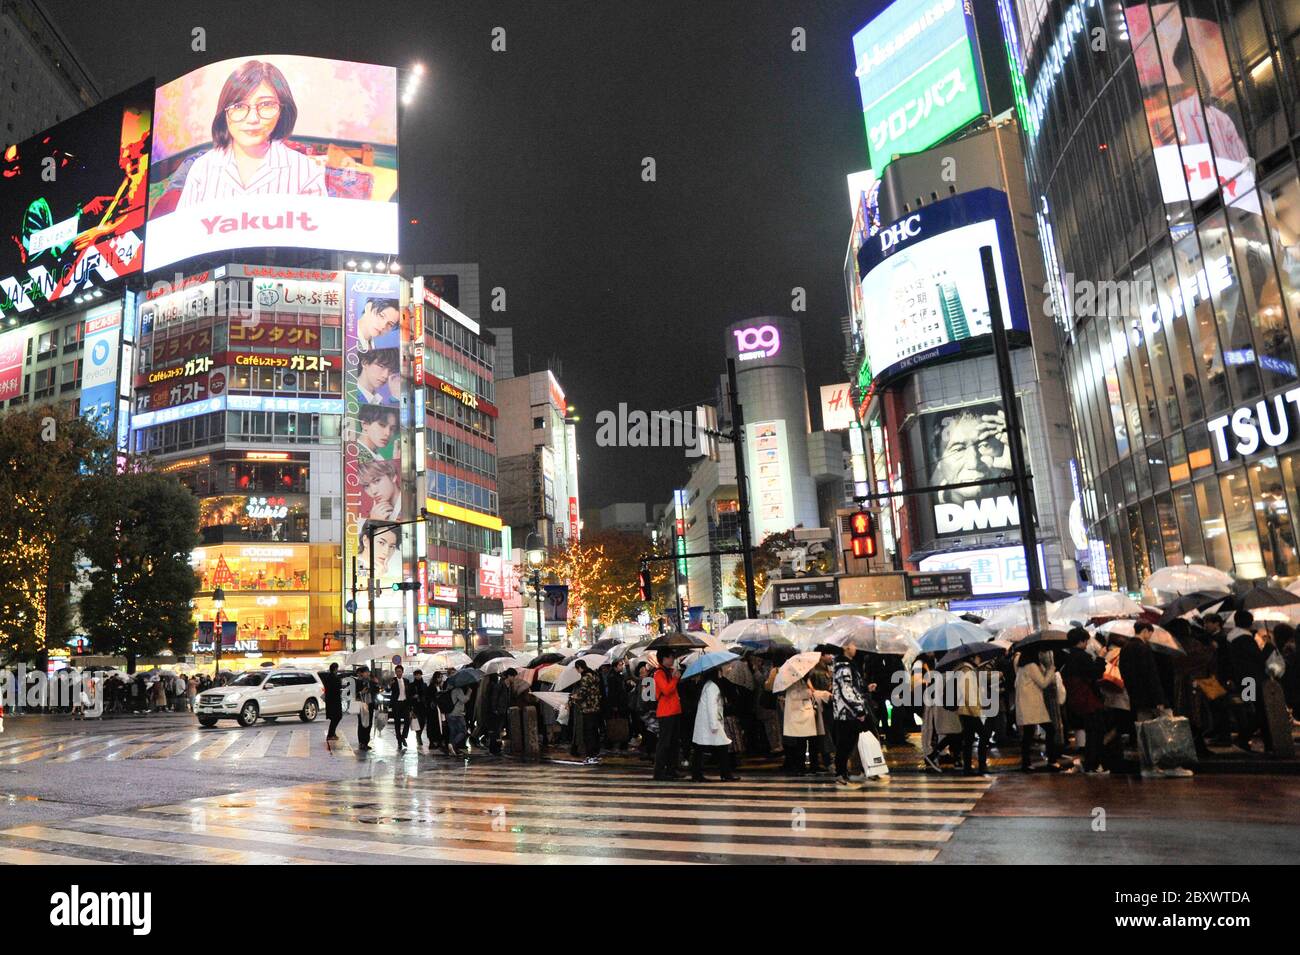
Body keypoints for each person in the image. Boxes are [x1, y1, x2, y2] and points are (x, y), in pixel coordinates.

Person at [177, 59, 325, 208]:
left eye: (266, 104)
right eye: (239, 106)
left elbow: (318, 228)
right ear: (224, 112)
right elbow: (184, 229)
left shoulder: (306, 171)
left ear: (282, 111)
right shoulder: (202, 168)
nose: (253, 119)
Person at [1225, 610, 1272, 753]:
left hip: (1244, 680)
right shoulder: (1244, 639)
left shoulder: (1232, 637)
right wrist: (1268, 646)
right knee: (1259, 711)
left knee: (1254, 710)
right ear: (1250, 622)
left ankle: (1262, 743)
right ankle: (1244, 739)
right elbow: (1258, 659)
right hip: (1252, 680)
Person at [1062, 628, 1107, 774]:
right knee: (1096, 733)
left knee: (1091, 732)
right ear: (1081, 641)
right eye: (1086, 641)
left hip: (1077, 699)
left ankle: (1090, 763)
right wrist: (1101, 657)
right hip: (1089, 700)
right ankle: (1093, 765)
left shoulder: (1068, 657)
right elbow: (1096, 673)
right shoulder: (1082, 656)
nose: (1087, 644)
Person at [831, 641, 875, 787]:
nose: (856, 647)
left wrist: (866, 688)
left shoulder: (849, 664)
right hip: (847, 713)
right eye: (853, 644)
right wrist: (859, 710)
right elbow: (846, 691)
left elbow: (854, 687)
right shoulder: (843, 667)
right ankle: (840, 773)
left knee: (852, 742)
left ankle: (856, 770)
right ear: (845, 647)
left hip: (851, 711)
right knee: (845, 743)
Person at [1016, 648, 1063, 771]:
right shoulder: (1031, 666)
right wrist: (1051, 670)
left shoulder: (1022, 667)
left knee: (1028, 734)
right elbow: (1043, 683)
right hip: (1033, 705)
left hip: (1027, 705)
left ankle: (1026, 764)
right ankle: (1051, 760)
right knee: (1050, 730)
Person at [691, 671, 740, 782]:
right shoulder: (712, 686)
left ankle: (697, 774)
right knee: (721, 747)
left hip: (706, 723)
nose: (720, 673)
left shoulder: (707, 685)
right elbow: (712, 706)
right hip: (710, 723)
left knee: (700, 748)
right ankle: (725, 774)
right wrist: (714, 724)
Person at [783, 675, 831, 775]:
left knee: (814, 742)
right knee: (801, 744)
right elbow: (793, 694)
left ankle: (814, 766)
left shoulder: (804, 679)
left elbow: (812, 692)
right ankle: (801, 767)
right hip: (800, 717)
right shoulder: (792, 680)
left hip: (808, 715)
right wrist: (808, 692)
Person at [652, 652, 683, 781]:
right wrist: (675, 678)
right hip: (666, 713)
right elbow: (666, 690)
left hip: (674, 711)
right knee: (664, 743)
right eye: (670, 656)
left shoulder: (669, 671)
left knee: (674, 743)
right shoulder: (659, 673)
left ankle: (672, 769)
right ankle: (659, 772)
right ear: (664, 658)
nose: (672, 659)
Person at [570, 660, 603, 761]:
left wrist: (575, 697)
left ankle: (590, 754)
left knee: (588, 732)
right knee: (594, 731)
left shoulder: (585, 678)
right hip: (596, 707)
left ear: (580, 667)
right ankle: (596, 752)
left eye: (577, 668)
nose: (577, 671)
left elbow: (583, 694)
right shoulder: (595, 675)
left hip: (588, 708)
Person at [359, 458, 402, 522]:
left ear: (392, 476)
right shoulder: (374, 514)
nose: (373, 491)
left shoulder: (411, 505)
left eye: (377, 481)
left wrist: (376, 522)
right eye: (366, 486)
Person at [388, 664, 411, 750]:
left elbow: (409, 693)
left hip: (405, 703)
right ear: (395, 672)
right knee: (397, 723)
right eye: (397, 671)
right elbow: (387, 690)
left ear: (402, 672)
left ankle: (403, 737)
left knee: (407, 721)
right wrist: (389, 685)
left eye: (400, 671)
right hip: (396, 704)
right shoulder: (392, 681)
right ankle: (399, 741)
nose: (398, 673)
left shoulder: (406, 681)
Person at [448, 681, 472, 757]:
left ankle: (452, 750)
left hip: (450, 713)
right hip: (457, 714)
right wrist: (469, 692)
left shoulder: (449, 688)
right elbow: (464, 700)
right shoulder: (458, 690)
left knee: (453, 732)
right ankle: (452, 744)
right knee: (463, 731)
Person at [322, 662, 344, 742]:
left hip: (330, 700)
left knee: (334, 717)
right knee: (337, 717)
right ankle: (330, 734)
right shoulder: (334, 677)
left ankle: (332, 733)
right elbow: (338, 687)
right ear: (335, 669)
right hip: (335, 700)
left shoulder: (328, 677)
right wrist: (341, 683)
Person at [355, 666, 374, 752]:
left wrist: (376, 684)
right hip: (361, 705)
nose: (367, 673)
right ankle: (361, 742)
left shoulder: (370, 682)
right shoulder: (358, 682)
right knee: (362, 723)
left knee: (369, 723)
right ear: (362, 673)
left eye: (368, 672)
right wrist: (361, 692)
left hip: (369, 704)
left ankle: (366, 742)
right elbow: (354, 694)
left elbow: (375, 691)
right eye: (366, 672)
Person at [409, 669, 429, 747]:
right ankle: (418, 736)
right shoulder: (412, 685)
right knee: (417, 721)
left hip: (423, 706)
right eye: (416, 675)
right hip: (416, 706)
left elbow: (427, 694)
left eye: (419, 674)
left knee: (423, 721)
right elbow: (409, 695)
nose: (418, 676)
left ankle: (419, 734)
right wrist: (413, 697)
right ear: (414, 676)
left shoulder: (424, 685)